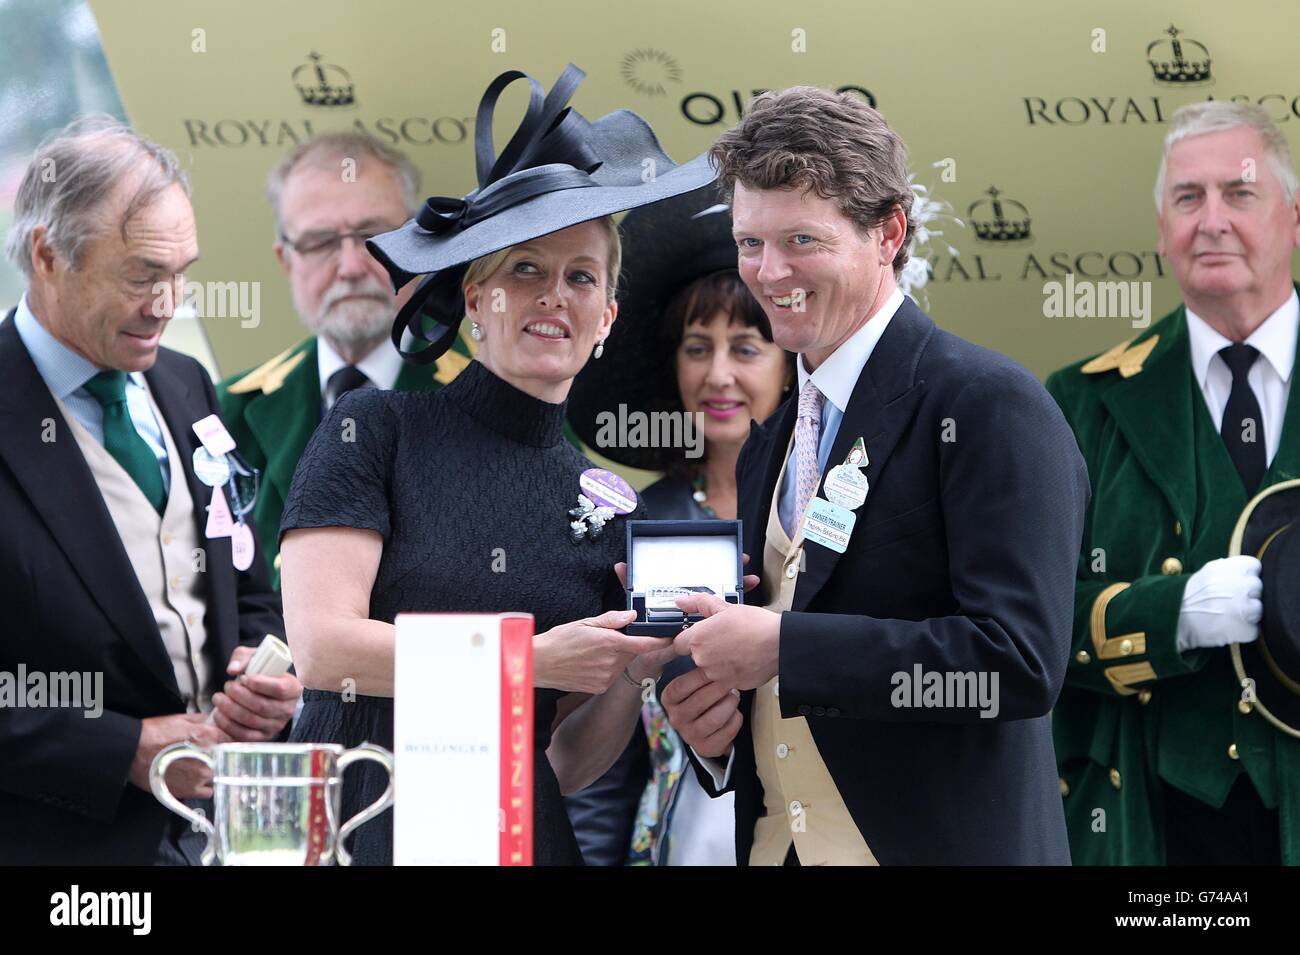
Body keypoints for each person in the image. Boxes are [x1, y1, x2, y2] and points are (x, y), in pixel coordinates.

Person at [277, 64, 719, 865]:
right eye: (525, 270)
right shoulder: (374, 428)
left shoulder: (610, 505)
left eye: (581, 277)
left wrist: (630, 671)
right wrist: (530, 660)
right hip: (360, 832)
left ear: (607, 317)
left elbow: (567, 763)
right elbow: (324, 650)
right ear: (476, 301)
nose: (555, 295)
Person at [658, 86, 1091, 865]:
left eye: (801, 239)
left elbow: (1016, 664)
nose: (769, 271)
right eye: (749, 241)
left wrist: (788, 649)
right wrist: (713, 722)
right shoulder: (772, 436)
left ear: (887, 231)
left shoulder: (989, 402)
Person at [0, 116, 300, 864]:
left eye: (182, 272)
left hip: (239, 832)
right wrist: (123, 748)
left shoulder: (184, 383)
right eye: (142, 274)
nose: (169, 303)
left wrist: (266, 667)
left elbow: (242, 574)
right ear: (47, 255)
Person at [1046, 101, 1300, 865]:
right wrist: (1169, 614)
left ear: (1293, 218)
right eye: (1188, 198)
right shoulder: (1082, 402)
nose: (1211, 220)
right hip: (1155, 826)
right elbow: (1029, 624)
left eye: (1240, 192)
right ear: (1162, 230)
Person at [567, 187, 792, 864]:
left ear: (791, 362)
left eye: (746, 348)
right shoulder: (642, 520)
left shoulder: (821, 512)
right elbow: (605, 760)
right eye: (698, 347)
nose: (718, 374)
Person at [218, 133, 472, 589]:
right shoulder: (228, 411)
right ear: (285, 260)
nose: (352, 266)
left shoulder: (492, 394)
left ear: (418, 245)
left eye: (373, 237)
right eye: (320, 243)